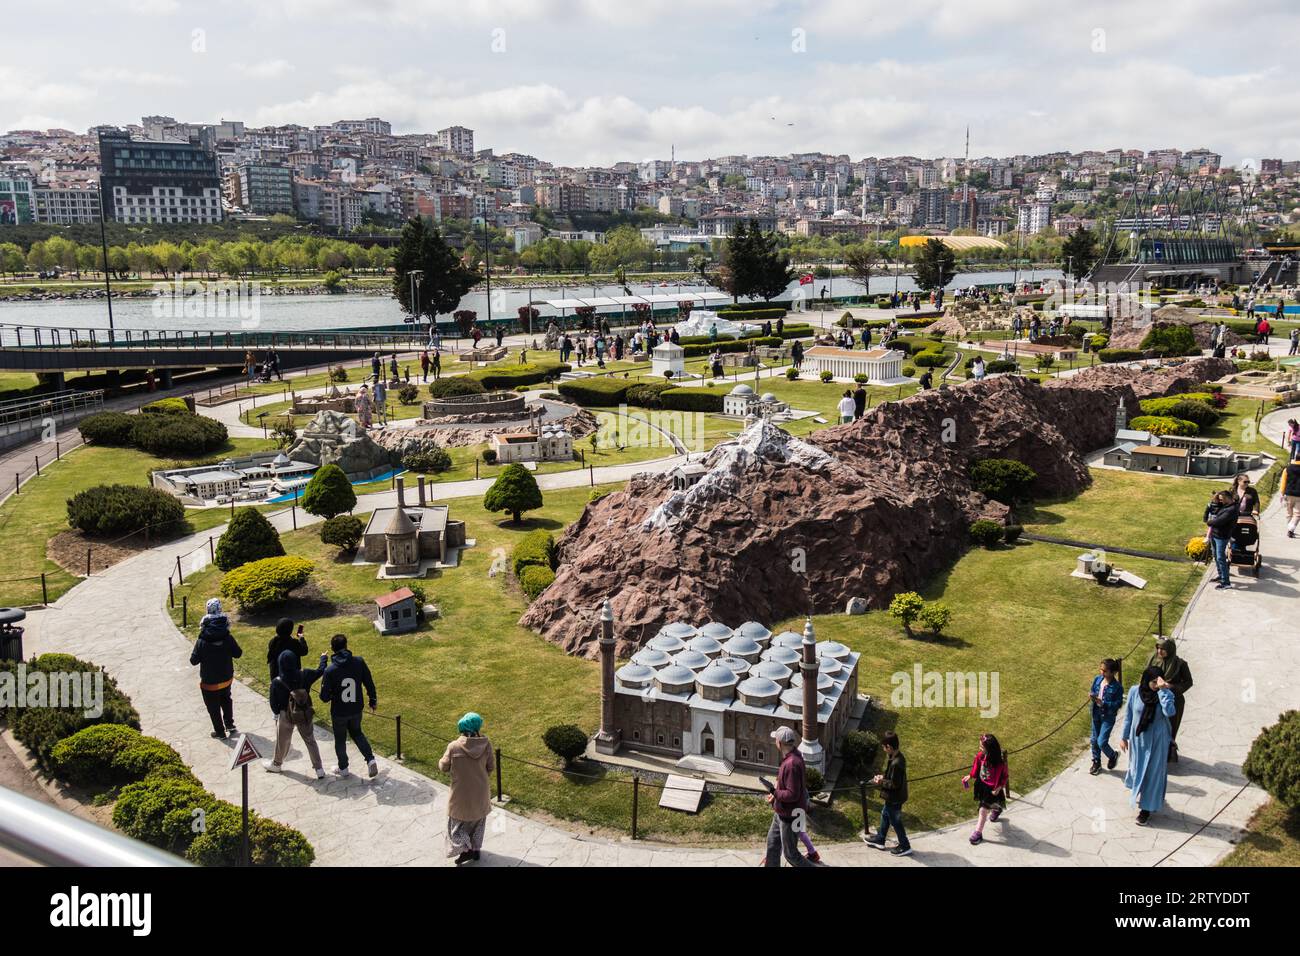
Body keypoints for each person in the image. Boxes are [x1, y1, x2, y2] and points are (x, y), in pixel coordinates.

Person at [1120, 666, 1177, 825]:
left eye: (1157, 682)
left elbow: (1170, 712)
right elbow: (1129, 716)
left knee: (1153, 774)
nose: (1154, 685)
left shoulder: (1165, 694)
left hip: (1157, 741)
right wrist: (1123, 737)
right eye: (1152, 682)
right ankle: (1140, 793)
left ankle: (1146, 809)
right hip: (1139, 740)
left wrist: (1163, 691)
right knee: (1138, 769)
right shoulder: (1134, 691)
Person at [438, 712, 496, 865]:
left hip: (460, 795)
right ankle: (475, 850)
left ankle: (467, 849)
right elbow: (491, 767)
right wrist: (480, 778)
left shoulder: (454, 747)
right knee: (478, 824)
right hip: (481, 793)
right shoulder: (486, 744)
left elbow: (443, 766)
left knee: (456, 828)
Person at [319, 633, 379, 779]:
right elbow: (369, 682)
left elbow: (324, 697)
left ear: (332, 649)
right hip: (356, 707)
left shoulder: (330, 670)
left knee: (340, 739)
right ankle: (370, 760)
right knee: (357, 733)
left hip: (339, 712)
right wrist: (372, 699)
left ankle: (343, 768)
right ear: (346, 645)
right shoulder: (359, 662)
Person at [265, 648, 327, 778]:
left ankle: (277, 764)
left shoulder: (276, 681)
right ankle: (319, 768)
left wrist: (278, 713)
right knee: (310, 740)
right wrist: (323, 658)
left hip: (285, 714)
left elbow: (273, 702)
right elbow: (320, 671)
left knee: (282, 740)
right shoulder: (306, 674)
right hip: (303, 713)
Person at [189, 598, 243, 739]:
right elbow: (238, 653)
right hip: (226, 678)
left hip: (209, 682)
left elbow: (193, 661)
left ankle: (220, 732)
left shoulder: (202, 640)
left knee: (213, 707)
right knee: (226, 699)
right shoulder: (227, 636)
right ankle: (229, 724)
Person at [762, 726, 814, 867]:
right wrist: (776, 794)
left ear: (779, 743)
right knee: (772, 844)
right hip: (782, 813)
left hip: (791, 816)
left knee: (791, 854)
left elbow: (792, 794)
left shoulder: (791, 764)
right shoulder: (794, 756)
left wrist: (774, 791)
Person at [1145, 638, 1192, 762]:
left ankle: (1168, 752)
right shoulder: (1152, 660)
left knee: (1169, 727)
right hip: (1153, 699)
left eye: (1163, 649)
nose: (1160, 651)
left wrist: (1172, 687)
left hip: (1173, 701)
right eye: (1158, 648)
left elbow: (1188, 682)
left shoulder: (1180, 664)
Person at [864, 730, 911, 855]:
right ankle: (880, 839)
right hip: (893, 797)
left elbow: (894, 784)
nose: (883, 750)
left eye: (884, 747)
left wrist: (880, 782)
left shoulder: (897, 763)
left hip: (895, 798)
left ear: (889, 747)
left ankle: (905, 845)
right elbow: (891, 777)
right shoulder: (895, 757)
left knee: (895, 821)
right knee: (885, 815)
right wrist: (882, 777)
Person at [962, 733, 1009, 845]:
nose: (980, 749)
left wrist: (999, 787)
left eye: (982, 747)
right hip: (982, 786)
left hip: (993, 789)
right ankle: (997, 809)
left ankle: (978, 833)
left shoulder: (1000, 764)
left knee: (983, 811)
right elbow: (976, 767)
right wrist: (970, 776)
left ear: (990, 749)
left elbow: (1005, 777)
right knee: (988, 805)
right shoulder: (980, 756)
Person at [1089, 658, 1124, 775]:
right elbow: (1093, 690)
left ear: (1113, 672)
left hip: (1107, 717)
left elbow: (1118, 704)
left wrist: (1104, 703)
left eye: (1105, 671)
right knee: (1094, 740)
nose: (1102, 673)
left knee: (1101, 741)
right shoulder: (1098, 680)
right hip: (1096, 714)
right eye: (1101, 670)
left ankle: (1112, 755)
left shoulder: (1117, 687)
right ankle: (1096, 761)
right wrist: (1092, 695)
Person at [1205, 490, 1237, 589]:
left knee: (1220, 558)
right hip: (1215, 535)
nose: (1220, 501)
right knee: (1216, 555)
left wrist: (1209, 522)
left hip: (1222, 536)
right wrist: (1215, 499)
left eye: (1222, 499)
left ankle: (1226, 582)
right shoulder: (1225, 506)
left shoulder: (1231, 509)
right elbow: (1214, 508)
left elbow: (1219, 521)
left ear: (1227, 498)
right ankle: (1220, 576)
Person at [267, 618, 308, 684]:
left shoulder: (273, 641)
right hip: (291, 678)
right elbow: (304, 651)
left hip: (276, 676)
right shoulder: (293, 643)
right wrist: (301, 638)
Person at [1281, 454, 1300, 537]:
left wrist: (1282, 493)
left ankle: (1290, 529)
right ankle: (1290, 529)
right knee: (1297, 514)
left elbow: (1283, 482)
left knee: (1289, 513)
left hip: (1289, 493)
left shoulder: (1287, 469)